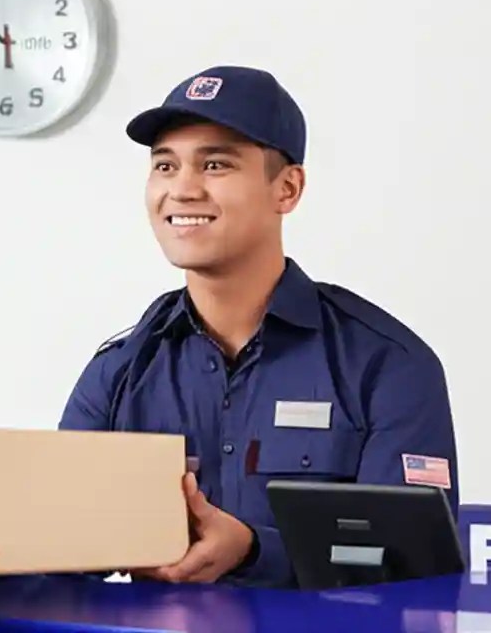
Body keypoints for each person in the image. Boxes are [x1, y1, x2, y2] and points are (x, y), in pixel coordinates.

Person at [58, 65, 458, 588]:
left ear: (287, 189)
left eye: (215, 165)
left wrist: (253, 550)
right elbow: (61, 549)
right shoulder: (120, 371)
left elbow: (414, 566)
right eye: (165, 165)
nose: (182, 189)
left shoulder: (387, 366)